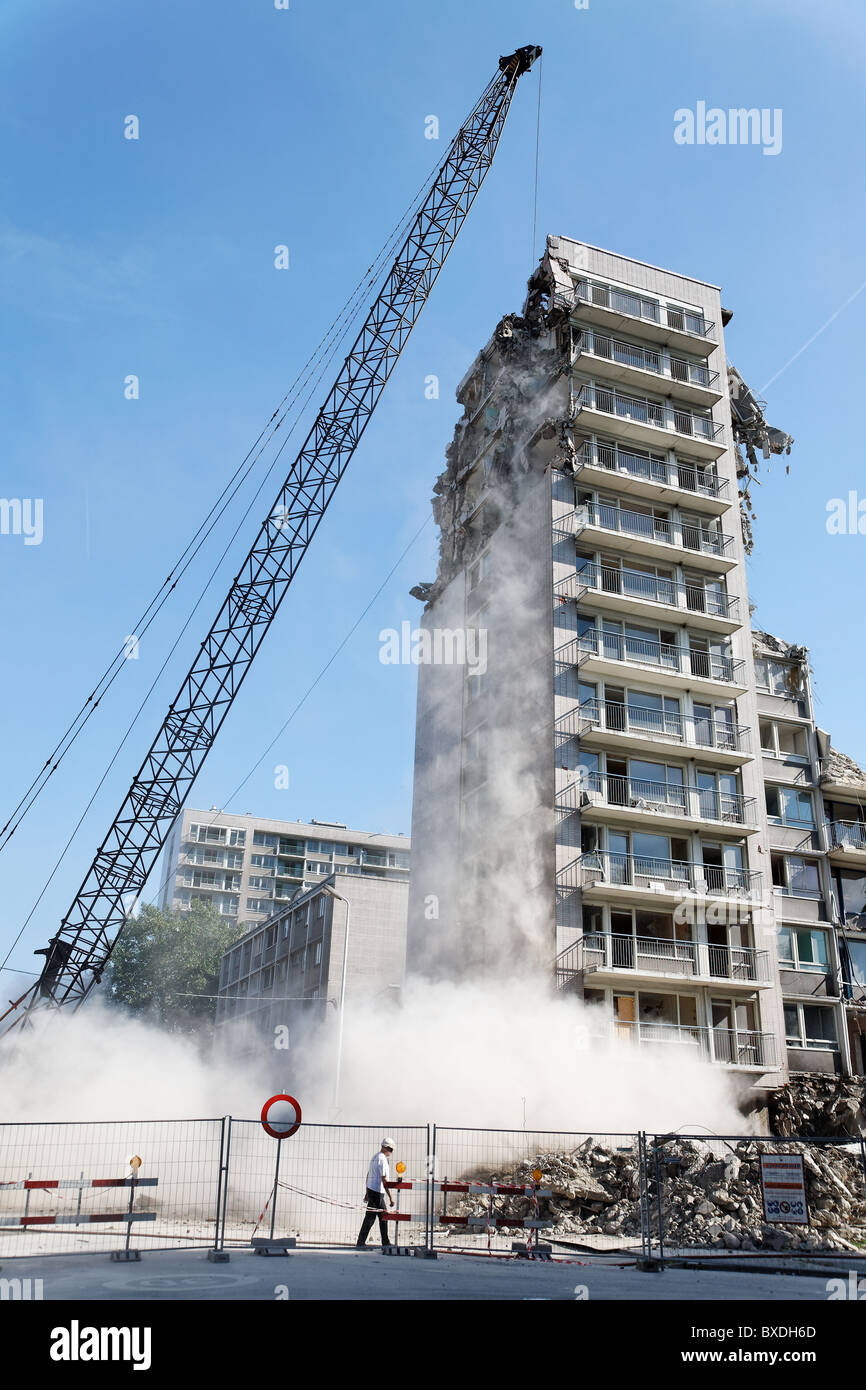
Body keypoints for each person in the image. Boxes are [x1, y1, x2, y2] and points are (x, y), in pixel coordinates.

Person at [355, 1137, 395, 1249]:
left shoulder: (375, 1157)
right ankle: (385, 1242)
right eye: (391, 1150)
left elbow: (368, 1175)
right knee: (382, 1216)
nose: (391, 1153)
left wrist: (367, 1192)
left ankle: (361, 1241)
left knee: (370, 1217)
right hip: (377, 1192)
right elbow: (384, 1180)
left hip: (372, 1190)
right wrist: (391, 1197)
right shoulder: (382, 1160)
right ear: (388, 1148)